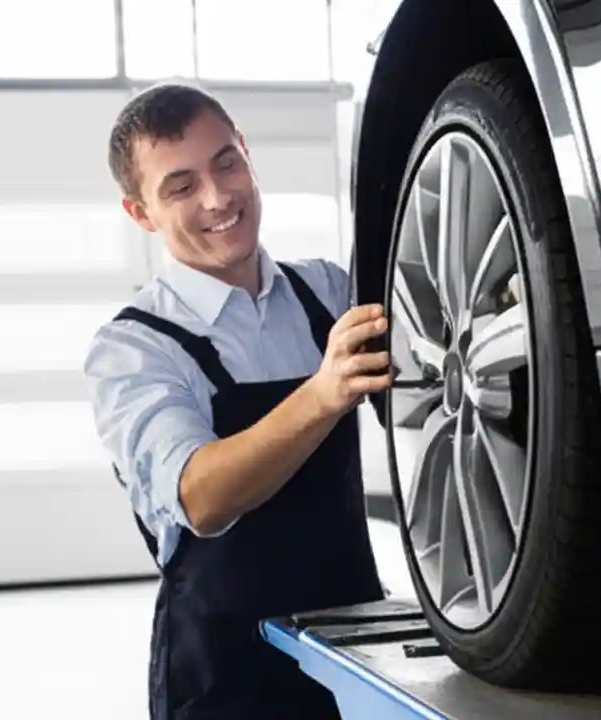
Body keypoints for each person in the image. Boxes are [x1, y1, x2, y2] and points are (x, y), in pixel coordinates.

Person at [83, 82, 389, 719]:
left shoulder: (328, 293)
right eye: (180, 185)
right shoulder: (135, 349)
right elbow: (201, 494)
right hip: (227, 681)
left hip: (357, 657)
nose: (218, 197)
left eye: (226, 163)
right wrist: (323, 394)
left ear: (247, 155)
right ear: (140, 213)